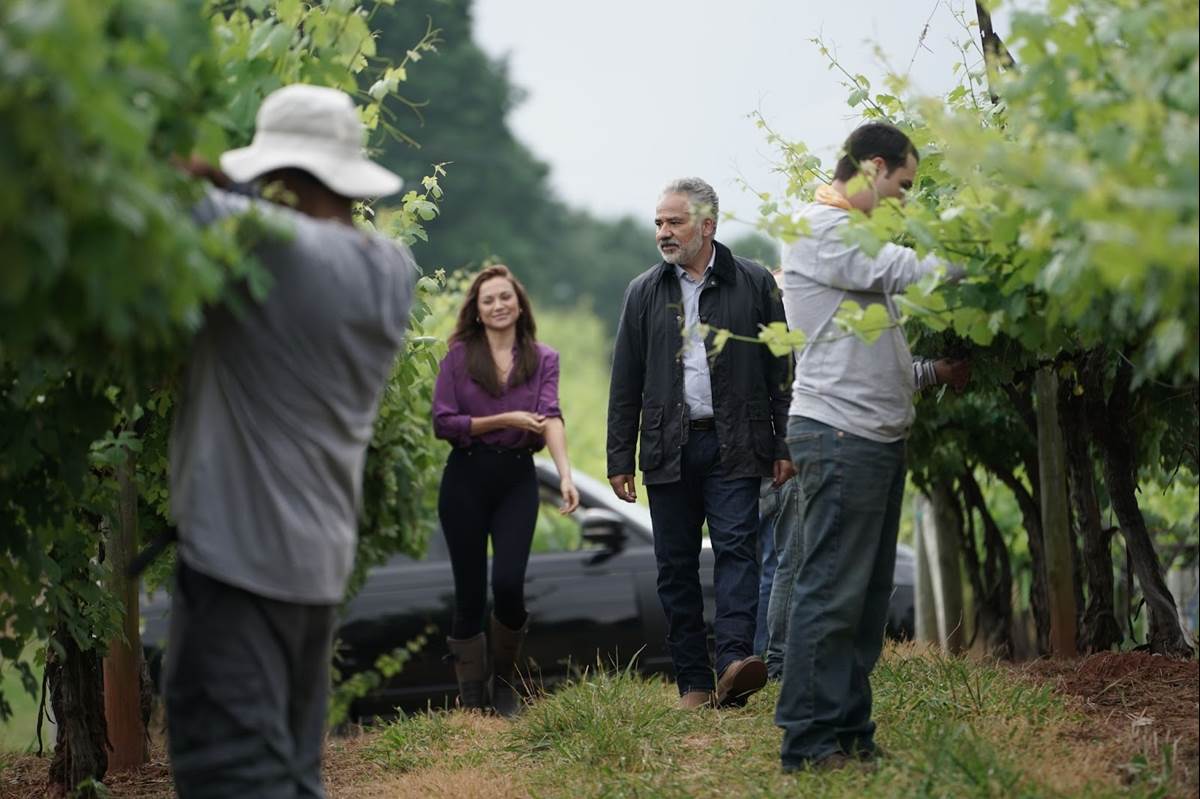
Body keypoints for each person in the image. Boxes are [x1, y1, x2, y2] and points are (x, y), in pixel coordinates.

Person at [166, 84, 417, 798]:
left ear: (275, 174)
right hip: (313, 570)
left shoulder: (266, 246)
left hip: (238, 562)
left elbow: (168, 194)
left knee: (235, 778)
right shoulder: (389, 270)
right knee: (290, 776)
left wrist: (209, 171)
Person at [775, 122, 969, 772]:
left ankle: (850, 731)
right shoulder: (820, 227)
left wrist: (930, 374)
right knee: (831, 589)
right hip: (838, 434)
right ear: (874, 166)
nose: (906, 201)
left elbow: (873, 351)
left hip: (872, 436)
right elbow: (904, 270)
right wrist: (975, 254)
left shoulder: (851, 241)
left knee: (862, 597)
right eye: (904, 185)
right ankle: (808, 739)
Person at [607, 177, 795, 710]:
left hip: (736, 441)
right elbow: (625, 379)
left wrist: (786, 445)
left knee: (739, 550)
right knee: (675, 564)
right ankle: (692, 682)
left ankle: (735, 666)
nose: (664, 233)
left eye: (674, 222)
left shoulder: (755, 283)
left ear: (707, 226)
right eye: (659, 224)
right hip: (669, 445)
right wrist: (619, 456)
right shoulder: (643, 291)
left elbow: (782, 371)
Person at [432, 264, 579, 717]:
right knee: (470, 592)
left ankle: (504, 686)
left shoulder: (544, 358)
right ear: (477, 311)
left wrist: (567, 474)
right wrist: (503, 420)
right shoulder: (457, 356)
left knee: (509, 583)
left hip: (518, 478)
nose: (498, 306)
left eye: (505, 297)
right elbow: (443, 422)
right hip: (465, 479)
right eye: (488, 300)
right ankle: (472, 704)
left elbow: (550, 415)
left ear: (519, 304)